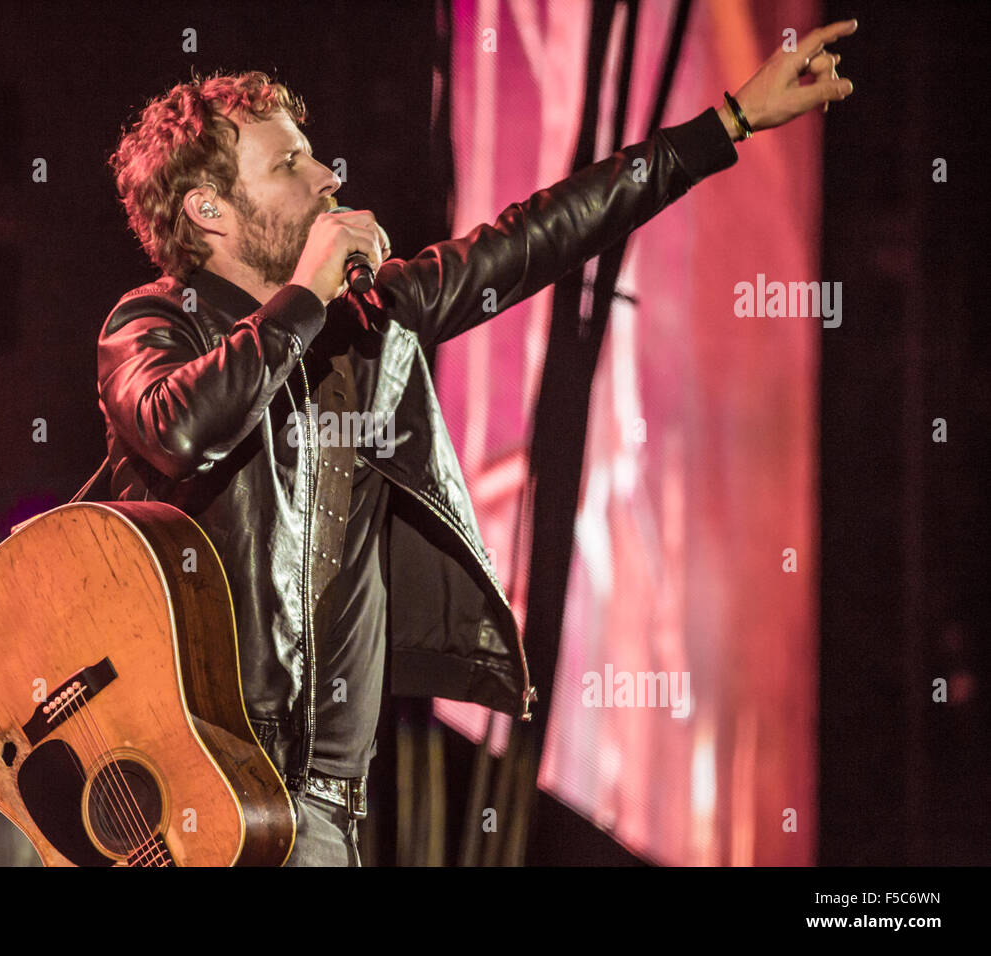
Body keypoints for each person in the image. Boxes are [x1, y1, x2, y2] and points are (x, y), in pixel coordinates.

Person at [96, 19, 856, 867]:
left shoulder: (368, 319)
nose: (325, 176)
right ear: (209, 210)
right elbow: (182, 429)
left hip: (323, 805)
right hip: (196, 789)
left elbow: (534, 237)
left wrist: (726, 125)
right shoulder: (155, 324)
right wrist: (304, 294)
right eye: (288, 164)